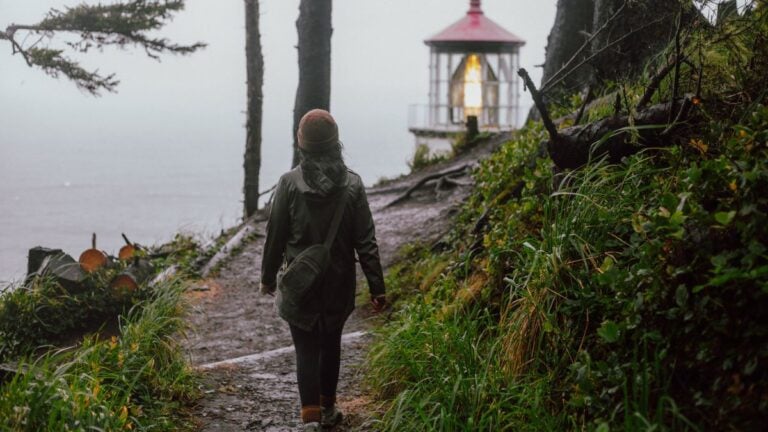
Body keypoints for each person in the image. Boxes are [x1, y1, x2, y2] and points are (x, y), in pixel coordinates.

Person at [259, 109, 387, 431]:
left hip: (300, 285)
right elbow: (366, 241)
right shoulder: (353, 185)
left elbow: (275, 236)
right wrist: (377, 287)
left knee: (305, 348)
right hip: (339, 284)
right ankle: (328, 410)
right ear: (335, 142)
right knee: (331, 343)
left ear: (301, 143)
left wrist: (267, 278)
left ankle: (310, 419)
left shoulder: (288, 184)